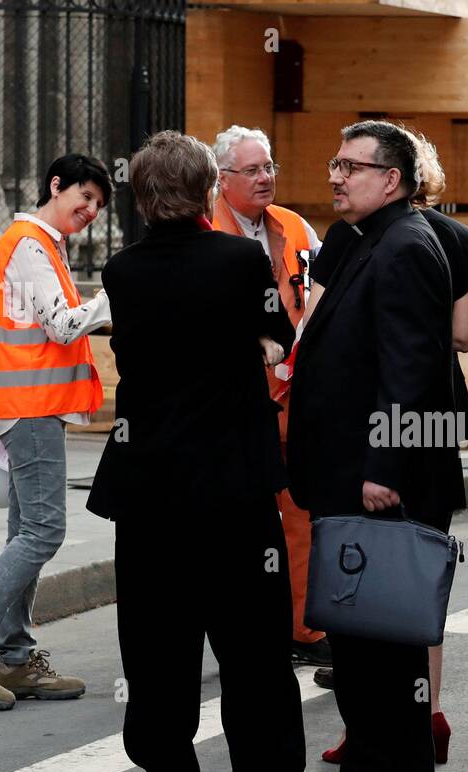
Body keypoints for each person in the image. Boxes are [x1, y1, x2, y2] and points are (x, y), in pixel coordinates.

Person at [86, 130, 308, 772]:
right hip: (234, 487)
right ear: (209, 189)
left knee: (156, 649)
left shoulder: (122, 271)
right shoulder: (241, 259)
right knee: (254, 649)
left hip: (149, 490)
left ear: (142, 197)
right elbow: (281, 339)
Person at [286, 120, 456, 772]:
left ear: (392, 179)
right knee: (383, 627)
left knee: (365, 634)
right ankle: (409, 762)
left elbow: (408, 369)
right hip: (353, 465)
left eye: (352, 166)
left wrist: (384, 465)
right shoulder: (371, 240)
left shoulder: (405, 246)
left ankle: (371, 767)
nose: (336, 175)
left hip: (373, 475)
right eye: (335, 162)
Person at [0, 154, 112, 710]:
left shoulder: (40, 243)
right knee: (44, 532)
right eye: (83, 197)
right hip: (29, 404)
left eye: (99, 206)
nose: (90, 211)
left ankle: (13, 658)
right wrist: (117, 296)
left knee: (25, 532)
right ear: (55, 186)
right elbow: (60, 325)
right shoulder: (30, 242)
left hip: (27, 403)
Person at [211, 126, 330, 669]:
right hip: (234, 404)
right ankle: (241, 630)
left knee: (302, 513)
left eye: (269, 167)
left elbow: (325, 292)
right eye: (253, 170)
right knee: (239, 523)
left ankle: (303, 629)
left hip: (294, 397)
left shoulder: (295, 227)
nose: (266, 178)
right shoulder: (202, 230)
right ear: (222, 179)